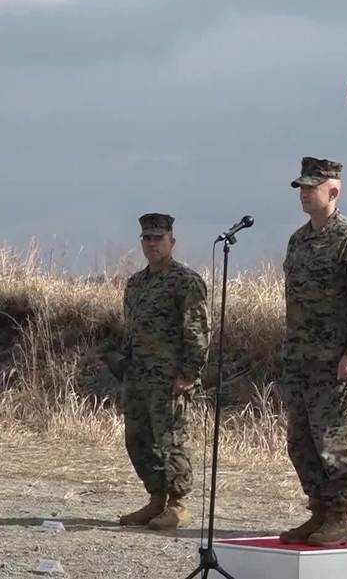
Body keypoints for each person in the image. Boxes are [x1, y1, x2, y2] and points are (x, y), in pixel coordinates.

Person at [278, 157, 347, 546]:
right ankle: (318, 511)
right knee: (300, 442)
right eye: (301, 187)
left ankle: (338, 516)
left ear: (333, 191)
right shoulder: (299, 240)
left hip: (334, 362)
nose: (305, 194)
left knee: (333, 442)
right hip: (300, 359)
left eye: (312, 187)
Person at [113, 213, 209, 531]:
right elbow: (131, 330)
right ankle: (156, 498)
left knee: (172, 442)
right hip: (138, 378)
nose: (152, 244)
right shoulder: (136, 283)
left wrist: (189, 374)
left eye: (158, 238)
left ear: (172, 242)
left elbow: (197, 331)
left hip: (170, 380)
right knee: (138, 440)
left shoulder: (186, 281)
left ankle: (178, 504)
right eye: (147, 238)